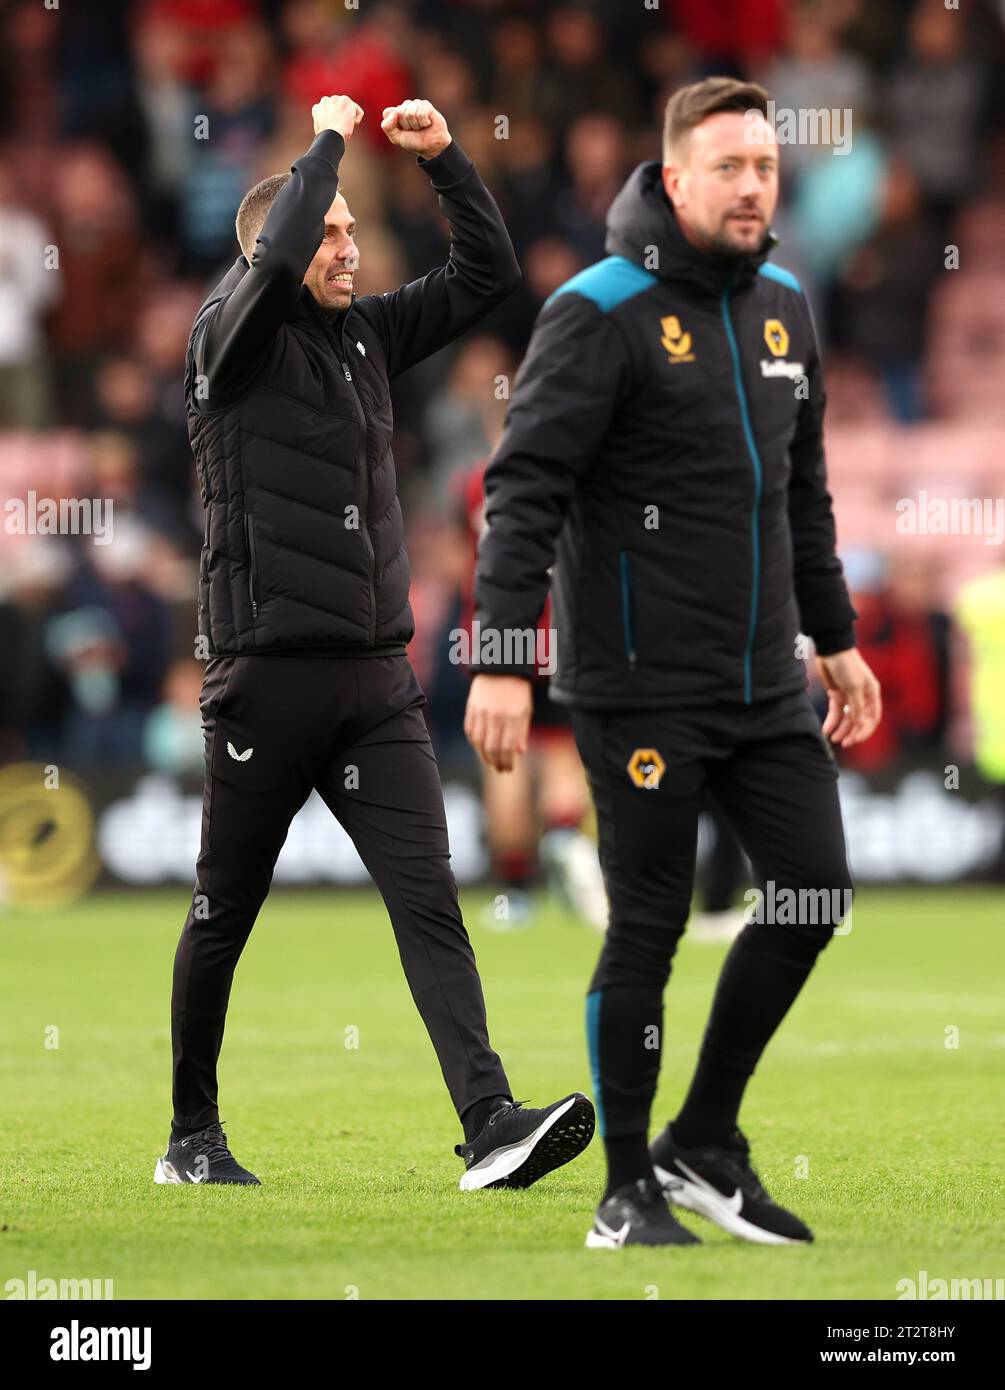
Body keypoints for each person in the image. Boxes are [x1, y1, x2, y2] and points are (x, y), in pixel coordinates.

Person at [466, 78, 881, 1248]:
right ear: (675, 177)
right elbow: (522, 487)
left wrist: (836, 638)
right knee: (646, 924)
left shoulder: (789, 306)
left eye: (767, 166)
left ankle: (701, 1141)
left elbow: (802, 493)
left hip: (764, 683)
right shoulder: (597, 311)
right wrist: (503, 656)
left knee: (811, 894)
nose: (755, 185)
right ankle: (622, 1195)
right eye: (732, 168)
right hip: (638, 684)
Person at [158, 95, 594, 1191]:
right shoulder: (228, 340)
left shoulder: (363, 337)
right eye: (336, 232)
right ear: (282, 246)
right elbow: (287, 232)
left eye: (356, 231)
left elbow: (487, 275)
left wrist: (447, 160)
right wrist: (328, 135)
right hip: (264, 682)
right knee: (224, 912)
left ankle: (489, 1121)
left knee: (428, 902)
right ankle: (191, 1135)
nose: (353, 247)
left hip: (374, 678)